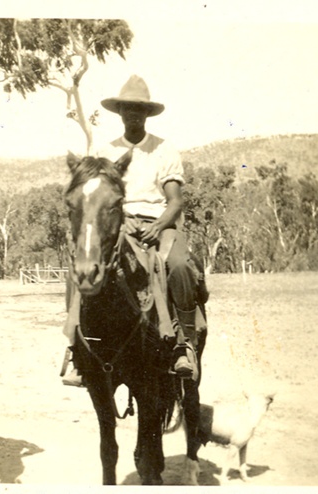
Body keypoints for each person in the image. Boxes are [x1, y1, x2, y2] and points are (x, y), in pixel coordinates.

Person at [62, 75, 203, 386]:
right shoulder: (104, 149)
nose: (133, 115)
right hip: (118, 223)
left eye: (139, 110)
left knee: (179, 266)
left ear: (147, 114)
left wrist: (159, 225)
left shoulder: (164, 149)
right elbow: (94, 199)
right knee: (82, 266)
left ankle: (185, 344)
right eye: (127, 109)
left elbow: (176, 201)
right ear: (120, 112)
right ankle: (77, 346)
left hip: (158, 222)